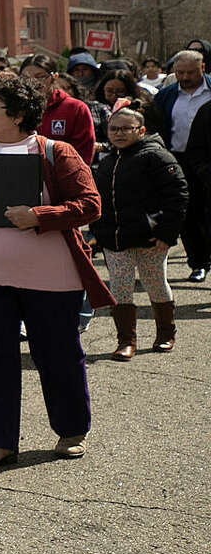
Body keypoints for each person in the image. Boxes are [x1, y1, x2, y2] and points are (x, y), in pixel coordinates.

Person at [0, 75, 110, 468]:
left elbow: (91, 204)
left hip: (50, 277)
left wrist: (39, 215)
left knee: (58, 355)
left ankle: (71, 431)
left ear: (16, 115)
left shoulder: (57, 152)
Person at [93, 105, 186, 358]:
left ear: (141, 130)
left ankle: (166, 334)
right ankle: (126, 341)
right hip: (116, 239)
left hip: (150, 238)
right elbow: (99, 199)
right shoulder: (108, 160)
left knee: (155, 284)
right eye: (114, 129)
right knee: (120, 289)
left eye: (126, 129)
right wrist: (98, 232)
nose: (119, 134)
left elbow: (177, 196)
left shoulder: (157, 156)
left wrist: (167, 234)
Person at [146, 49, 211, 282]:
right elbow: (154, 124)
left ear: (202, 69)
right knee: (189, 214)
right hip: (178, 160)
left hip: (208, 160)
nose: (184, 77)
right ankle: (198, 263)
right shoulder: (166, 95)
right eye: (180, 72)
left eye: (190, 73)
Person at [20, 54, 95, 165]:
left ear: (54, 77)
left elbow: (83, 153)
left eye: (40, 77)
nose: (32, 82)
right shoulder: (15, 108)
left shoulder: (76, 108)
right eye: (25, 78)